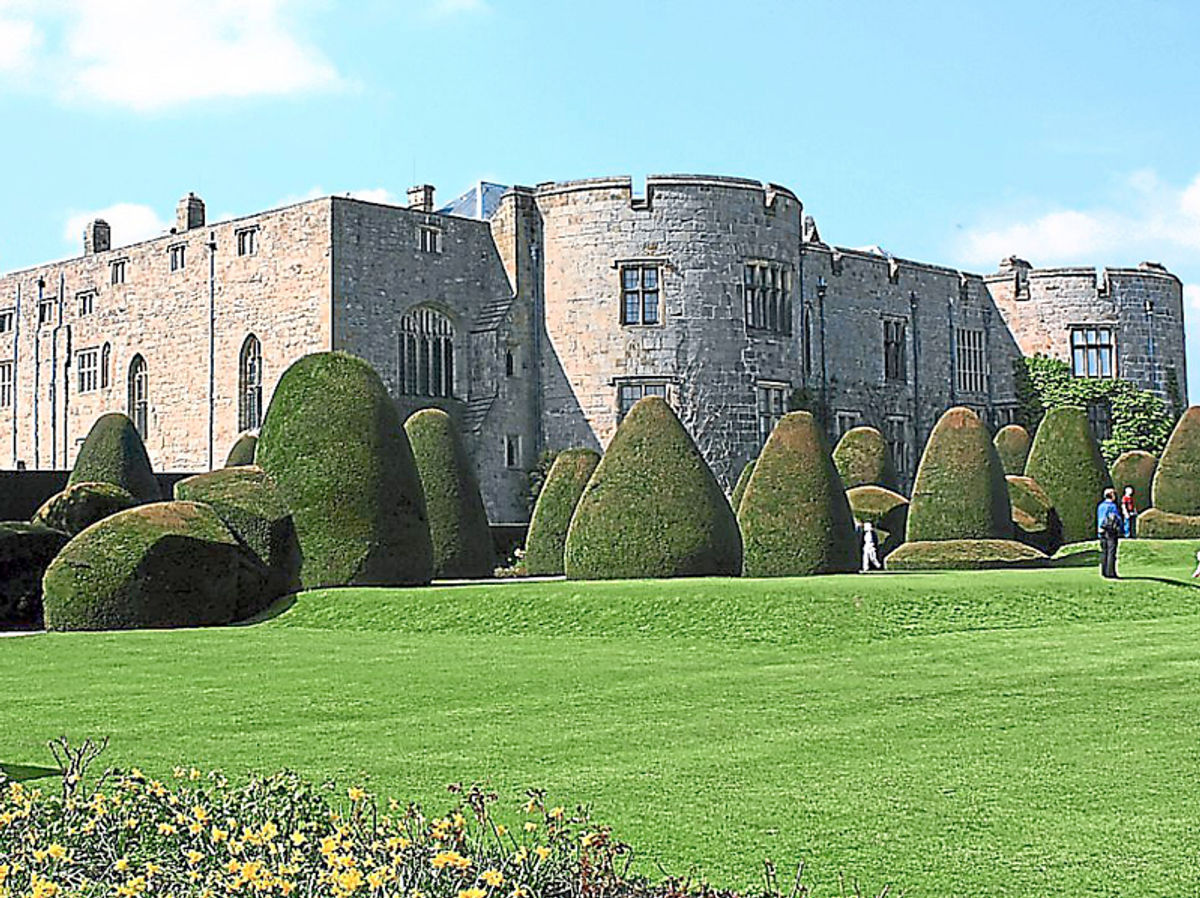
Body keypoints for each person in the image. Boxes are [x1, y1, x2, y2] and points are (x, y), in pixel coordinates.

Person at [1097, 488, 1122, 579]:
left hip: (1101, 531)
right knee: (1111, 552)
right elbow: (1117, 518)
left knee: (1104, 552)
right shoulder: (1112, 506)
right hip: (1110, 531)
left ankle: (1104, 571)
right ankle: (1110, 572)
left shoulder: (1100, 506)